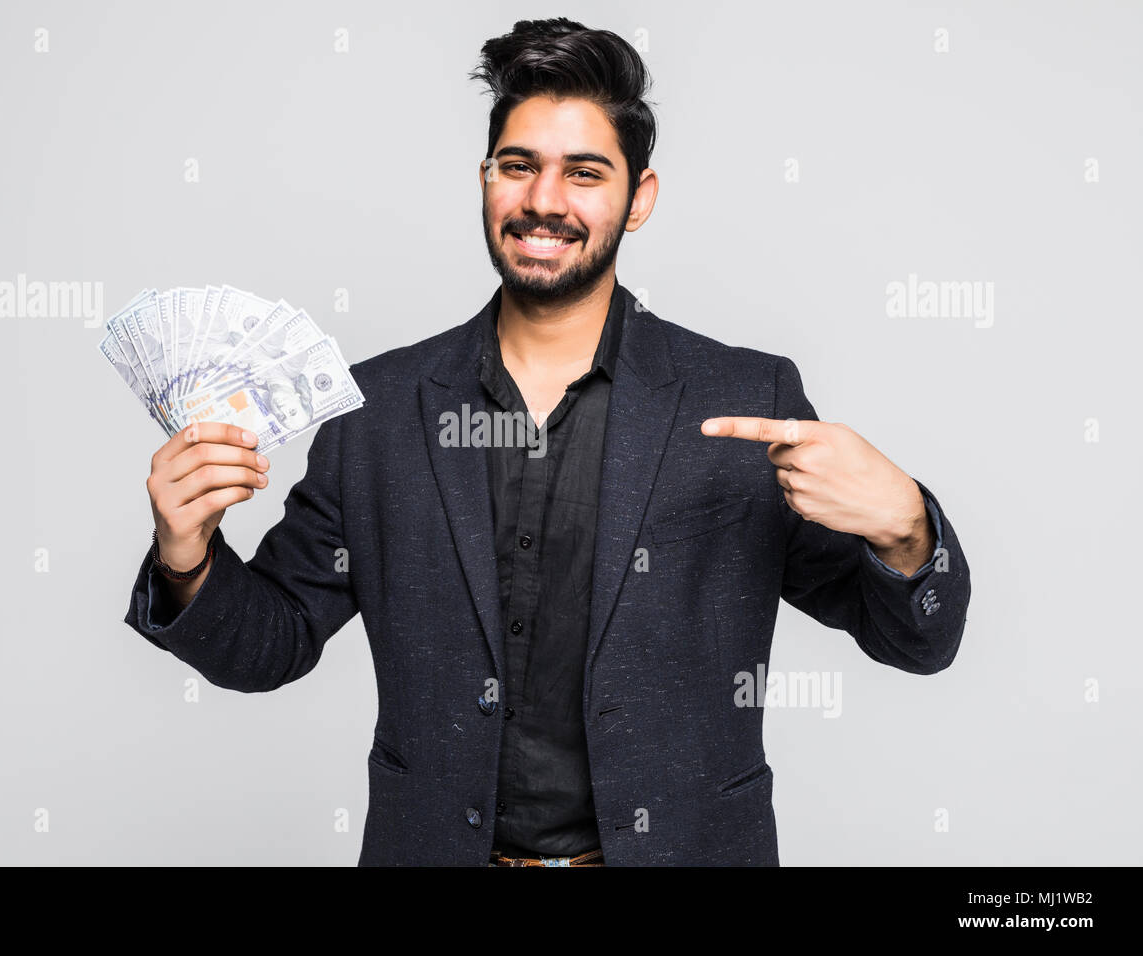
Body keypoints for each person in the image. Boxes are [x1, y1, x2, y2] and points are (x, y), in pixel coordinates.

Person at [126, 17, 969, 867]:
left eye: (585, 173)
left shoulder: (746, 401)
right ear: (485, 180)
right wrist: (186, 555)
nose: (543, 201)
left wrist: (905, 529)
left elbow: (915, 642)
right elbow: (270, 644)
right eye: (519, 165)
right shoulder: (375, 413)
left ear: (638, 199)